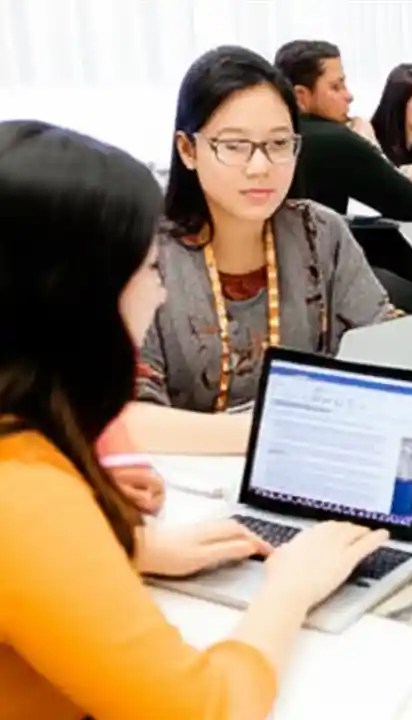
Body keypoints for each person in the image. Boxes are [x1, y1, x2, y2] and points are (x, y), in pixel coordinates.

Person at [0, 118, 388, 719]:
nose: (158, 294)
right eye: (149, 271)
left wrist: (118, 545)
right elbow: (205, 712)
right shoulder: (25, 498)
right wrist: (292, 587)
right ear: (77, 296)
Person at [126, 45, 397, 454]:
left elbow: (384, 341)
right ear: (187, 150)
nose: (260, 167)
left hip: (313, 471)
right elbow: (127, 416)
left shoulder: (320, 232)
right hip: (184, 490)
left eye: (278, 143)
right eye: (234, 146)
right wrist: (281, 431)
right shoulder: (144, 256)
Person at [273, 40, 412, 220]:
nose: (349, 96)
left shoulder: (272, 134)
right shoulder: (334, 140)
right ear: (301, 96)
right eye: (336, 87)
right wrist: (368, 144)